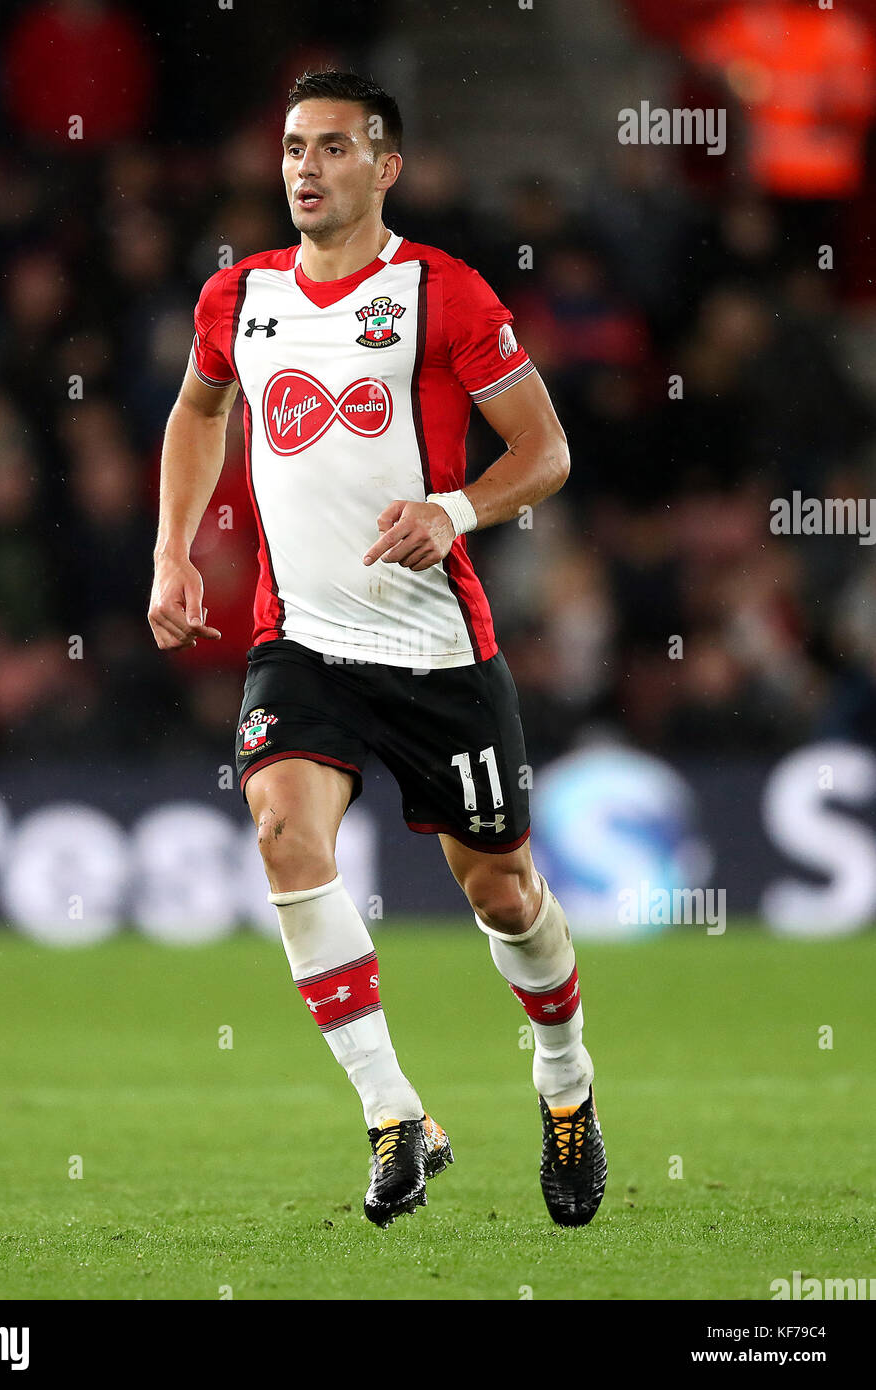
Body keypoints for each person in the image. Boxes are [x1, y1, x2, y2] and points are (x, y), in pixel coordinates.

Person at [148, 70, 606, 1229]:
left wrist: (451, 511)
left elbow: (544, 453)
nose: (304, 168)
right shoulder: (237, 296)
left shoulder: (441, 295)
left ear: (383, 168)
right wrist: (174, 551)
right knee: (280, 829)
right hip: (299, 639)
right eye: (293, 147)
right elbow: (199, 412)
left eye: (332, 148)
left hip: (435, 649)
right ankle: (393, 1110)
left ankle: (564, 1082)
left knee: (500, 893)